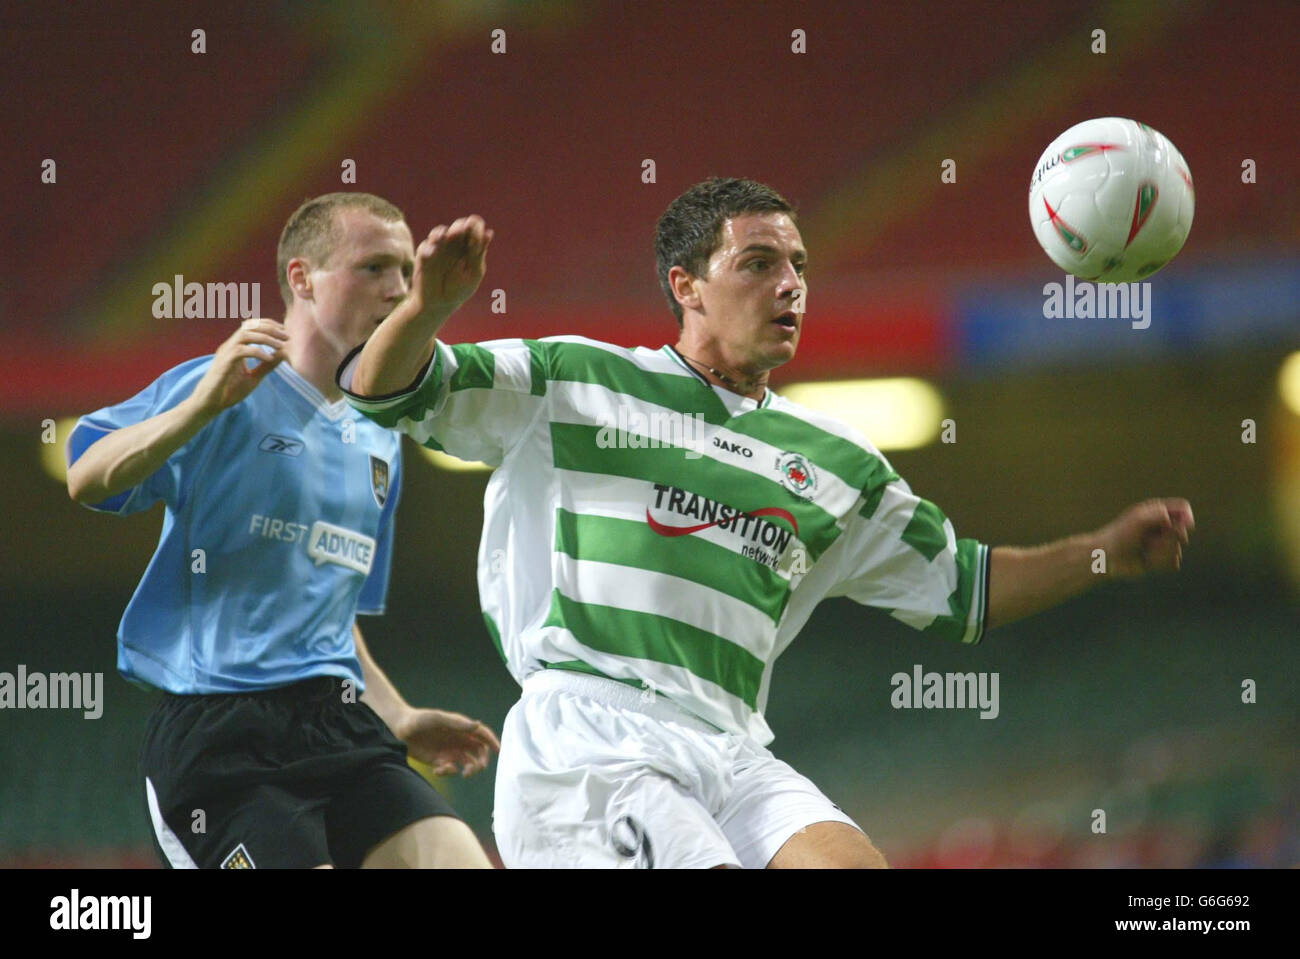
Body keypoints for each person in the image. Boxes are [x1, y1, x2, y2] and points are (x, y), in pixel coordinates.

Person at [338, 177, 1194, 869]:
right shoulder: (574, 380)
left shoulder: (838, 461)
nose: (789, 283)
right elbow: (384, 388)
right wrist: (426, 309)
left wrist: (1102, 557)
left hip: (733, 747)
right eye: (756, 263)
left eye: (798, 265)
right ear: (688, 287)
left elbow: (962, 587)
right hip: (592, 740)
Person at [66, 192, 499, 869]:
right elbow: (88, 476)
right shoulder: (225, 385)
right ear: (301, 278)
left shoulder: (379, 433)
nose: (396, 289)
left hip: (339, 725)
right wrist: (203, 405)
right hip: (221, 738)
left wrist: (398, 715)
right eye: (374, 268)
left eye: (406, 275)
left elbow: (329, 606)